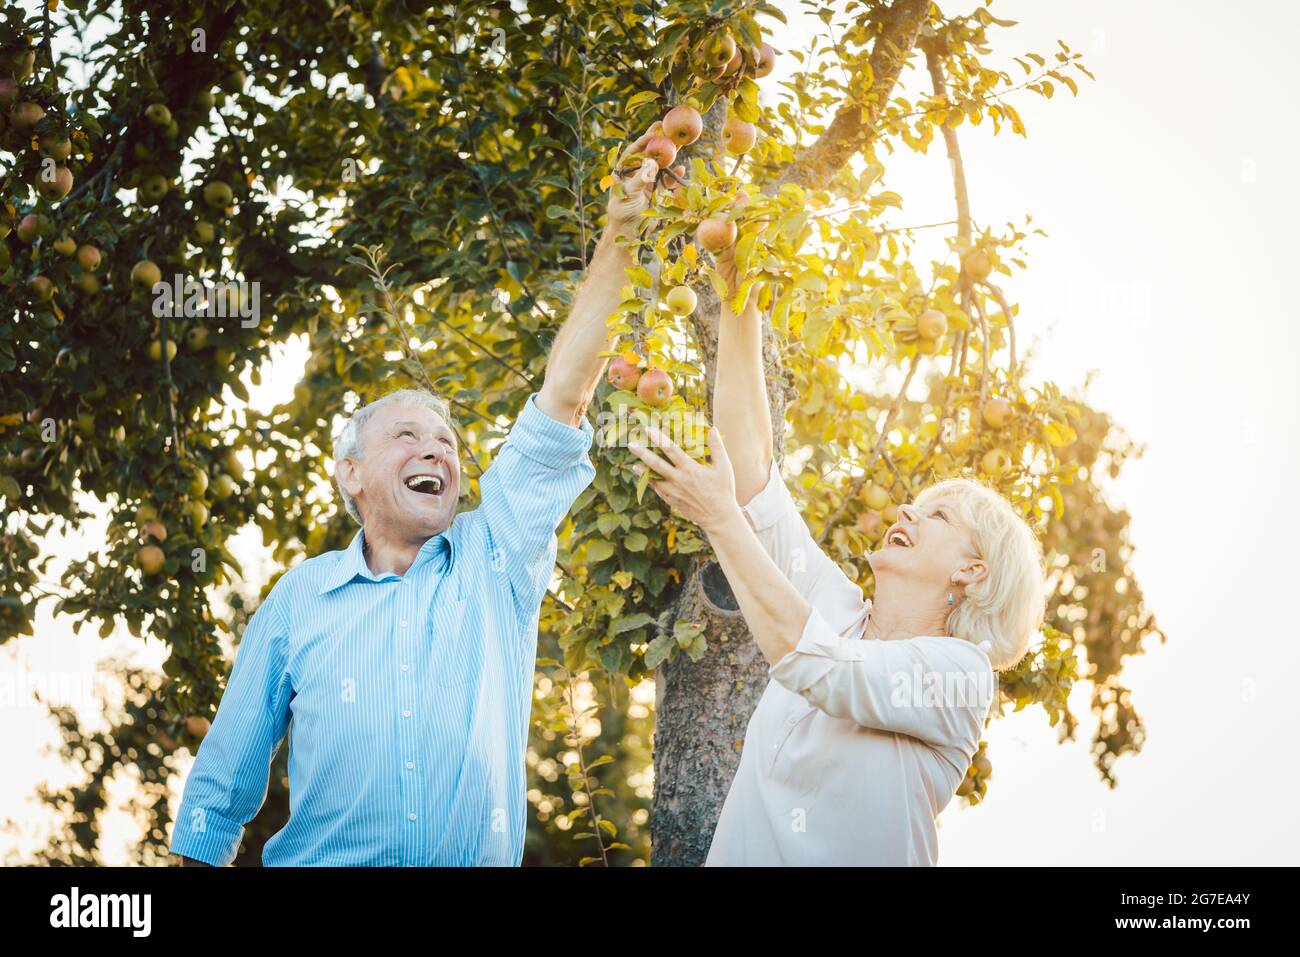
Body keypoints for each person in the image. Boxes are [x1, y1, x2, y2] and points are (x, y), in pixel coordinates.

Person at [169, 134, 663, 867]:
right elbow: (220, 785)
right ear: (351, 473)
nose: (438, 450)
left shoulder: (497, 554)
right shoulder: (299, 598)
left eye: (448, 443)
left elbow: (564, 393)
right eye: (408, 435)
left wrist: (621, 232)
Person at [627, 246, 1047, 866]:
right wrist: (738, 297)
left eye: (936, 516)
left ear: (972, 570)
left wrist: (718, 518)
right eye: (914, 505)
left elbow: (817, 665)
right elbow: (753, 484)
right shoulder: (840, 613)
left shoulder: (960, 674)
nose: (906, 513)